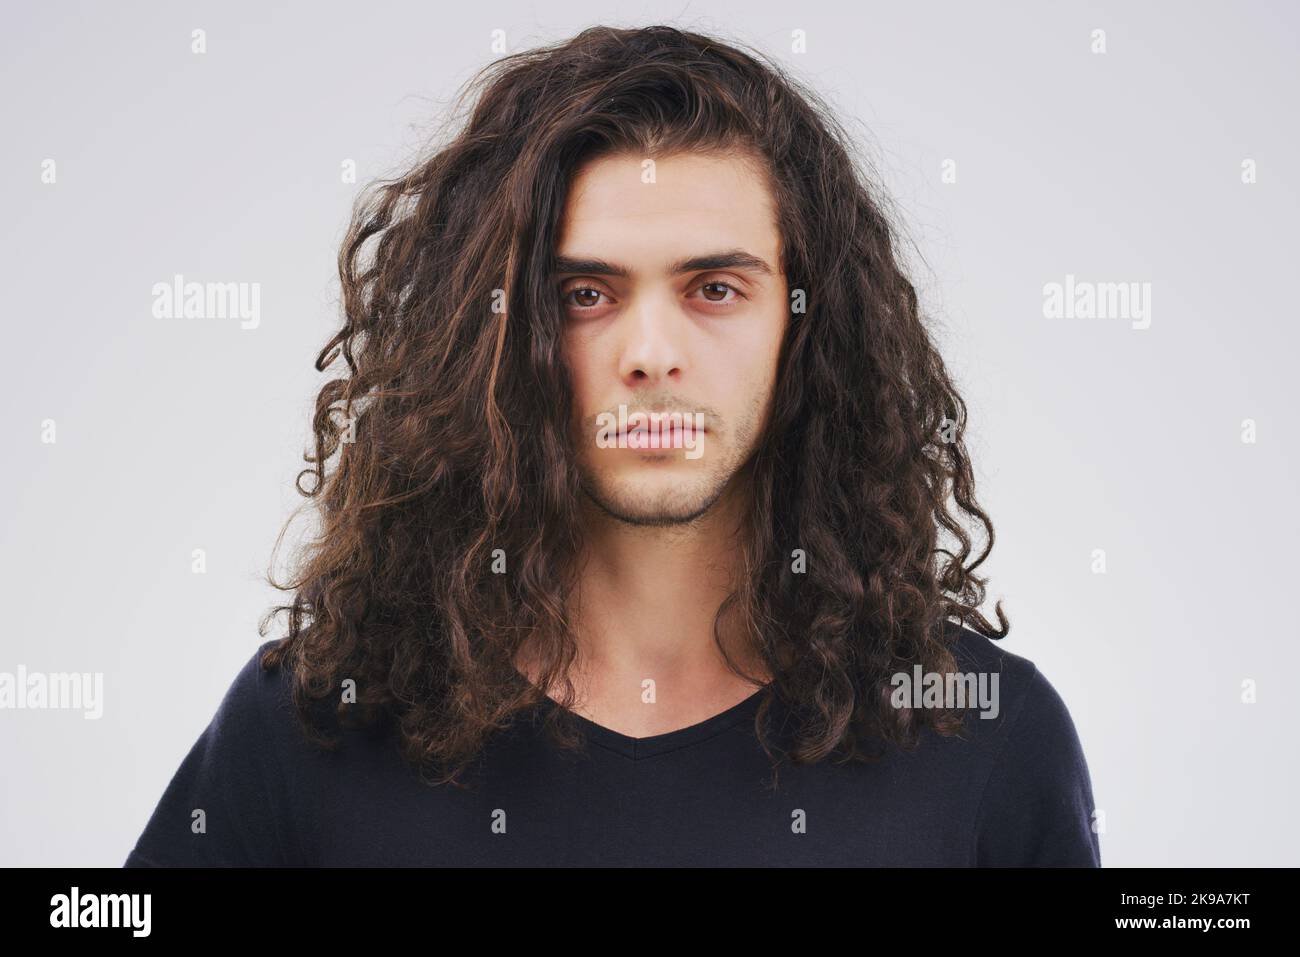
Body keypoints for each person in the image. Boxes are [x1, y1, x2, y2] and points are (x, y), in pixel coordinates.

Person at [124, 24, 1100, 867]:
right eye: (583, 297)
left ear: (807, 328)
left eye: (714, 289)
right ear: (494, 335)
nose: (649, 354)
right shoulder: (314, 725)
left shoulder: (981, 737)